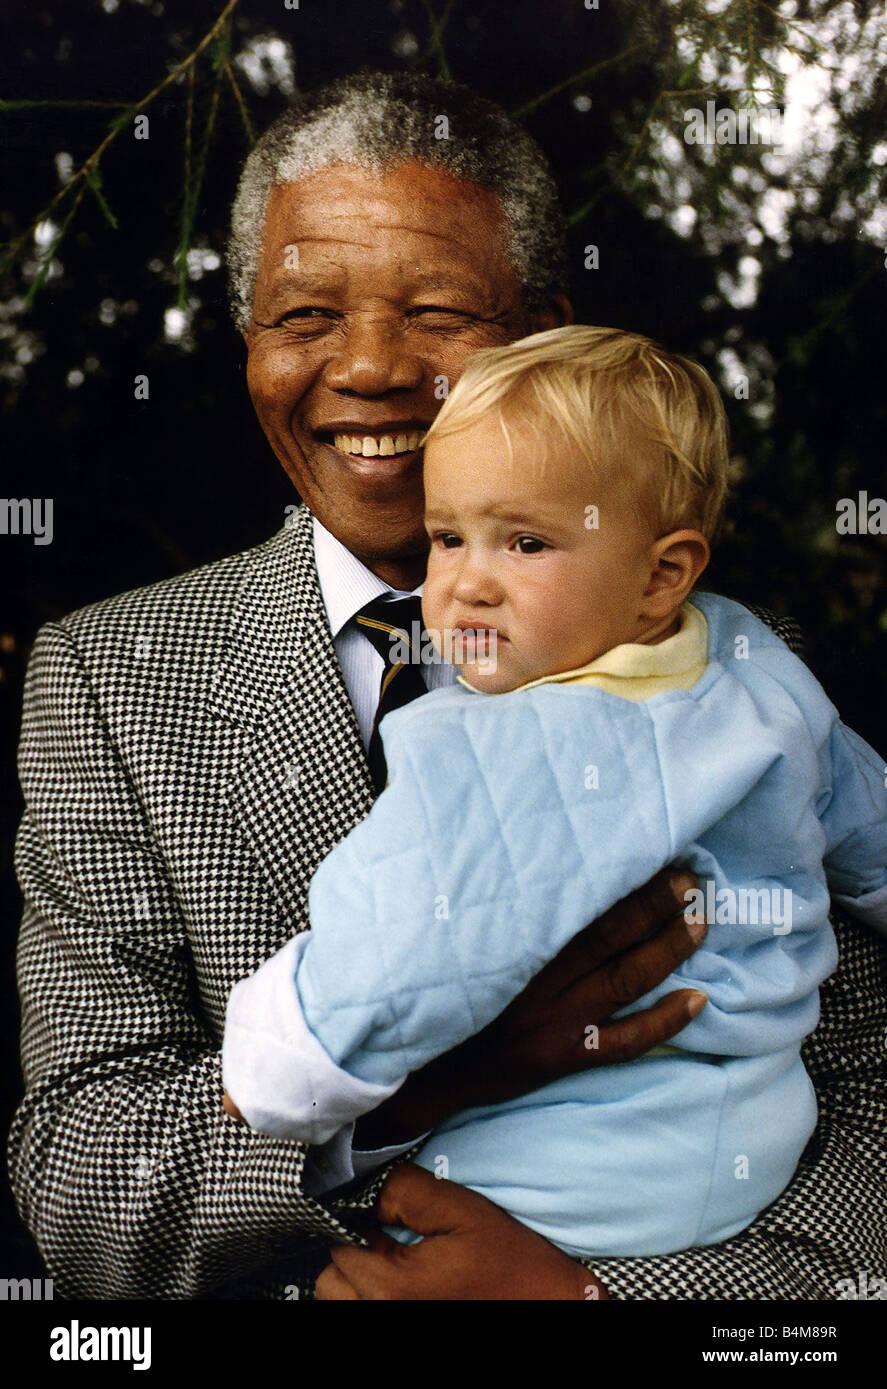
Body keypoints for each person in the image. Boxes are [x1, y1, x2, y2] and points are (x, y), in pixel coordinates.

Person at [8, 71, 886, 1301]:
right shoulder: (109, 682)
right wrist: (437, 1074)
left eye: (435, 310)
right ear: (249, 341)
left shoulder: (717, 658)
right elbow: (82, 1179)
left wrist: (587, 1307)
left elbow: (869, 1101)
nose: (367, 366)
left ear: (545, 331)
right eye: (303, 313)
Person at [222, 325, 887, 1260]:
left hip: (574, 1173)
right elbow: (865, 824)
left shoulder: (512, 747)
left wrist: (279, 1055)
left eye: (525, 543)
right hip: (758, 1129)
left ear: (662, 575)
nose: (463, 587)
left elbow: (404, 945)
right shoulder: (752, 664)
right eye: (447, 537)